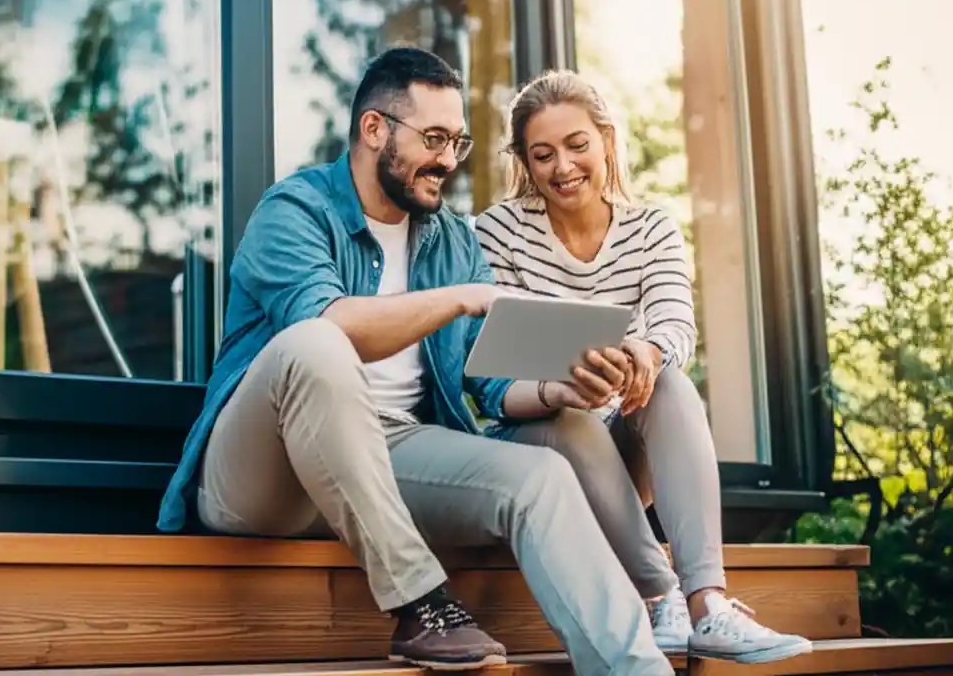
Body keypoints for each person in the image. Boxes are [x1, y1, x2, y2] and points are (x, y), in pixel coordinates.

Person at [158, 47, 675, 675]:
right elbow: (336, 326)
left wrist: (556, 393)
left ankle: (634, 668)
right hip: (266, 475)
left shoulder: (453, 239)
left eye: (457, 142)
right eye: (433, 138)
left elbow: (487, 384)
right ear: (375, 129)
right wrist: (462, 298)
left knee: (539, 476)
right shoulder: (293, 210)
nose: (448, 161)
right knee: (316, 343)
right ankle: (422, 602)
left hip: (392, 454)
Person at [473, 69, 813, 665]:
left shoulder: (651, 228)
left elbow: (676, 327)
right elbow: (494, 371)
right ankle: (661, 592)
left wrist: (645, 355)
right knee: (572, 415)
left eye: (578, 145)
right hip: (538, 440)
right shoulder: (497, 231)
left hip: (622, 451)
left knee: (673, 387)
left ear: (607, 140)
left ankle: (707, 604)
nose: (563, 167)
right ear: (525, 161)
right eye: (543, 154)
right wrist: (560, 387)